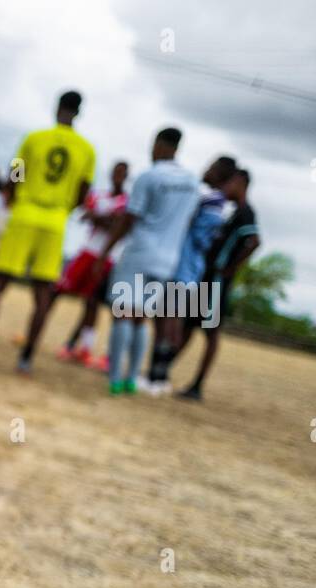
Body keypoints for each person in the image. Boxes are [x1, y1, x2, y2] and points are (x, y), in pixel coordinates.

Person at [0, 91, 96, 373]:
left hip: (24, 214)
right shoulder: (87, 150)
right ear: (78, 112)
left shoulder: (35, 138)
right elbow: (83, 193)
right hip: (55, 222)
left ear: (58, 108)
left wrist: (13, 198)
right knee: (43, 293)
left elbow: (15, 175)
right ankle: (26, 358)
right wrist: (62, 208)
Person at [94, 127, 199, 395]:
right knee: (142, 317)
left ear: (162, 145)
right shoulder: (192, 183)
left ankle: (115, 377)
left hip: (140, 253)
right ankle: (131, 378)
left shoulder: (149, 177)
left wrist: (105, 251)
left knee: (123, 314)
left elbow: (130, 218)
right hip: (167, 260)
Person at [145, 155, 238, 392]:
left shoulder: (210, 201)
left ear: (220, 174)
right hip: (189, 268)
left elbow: (197, 234)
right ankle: (159, 374)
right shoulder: (216, 201)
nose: (205, 169)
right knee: (170, 318)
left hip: (183, 267)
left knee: (168, 319)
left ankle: (157, 375)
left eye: (212, 167)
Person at [176, 169, 260, 401]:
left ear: (241, 183)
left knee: (210, 332)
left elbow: (254, 241)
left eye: (230, 182)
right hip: (209, 277)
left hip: (217, 281)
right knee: (189, 325)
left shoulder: (245, 213)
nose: (226, 187)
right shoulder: (233, 213)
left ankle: (197, 384)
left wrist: (231, 268)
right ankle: (163, 370)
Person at [52, 160, 129, 368]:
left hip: (108, 258)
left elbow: (118, 225)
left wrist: (100, 218)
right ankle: (70, 345)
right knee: (57, 291)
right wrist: (105, 219)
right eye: (116, 171)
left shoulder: (126, 201)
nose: (118, 176)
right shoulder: (100, 195)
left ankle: (84, 348)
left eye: (122, 173)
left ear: (126, 176)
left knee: (92, 301)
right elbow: (87, 214)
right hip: (87, 251)